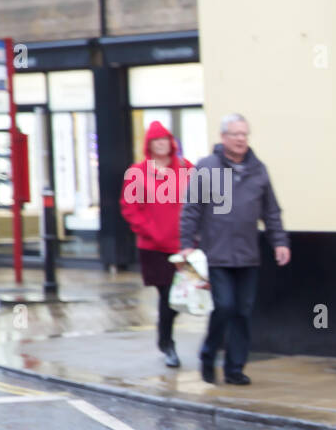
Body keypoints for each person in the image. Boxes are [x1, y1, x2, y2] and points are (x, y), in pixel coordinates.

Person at [180, 114, 290, 385]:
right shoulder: (207, 168)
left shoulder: (258, 169)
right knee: (225, 307)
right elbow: (191, 210)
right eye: (236, 134)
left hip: (248, 255)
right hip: (215, 254)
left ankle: (234, 368)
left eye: (245, 134)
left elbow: (271, 211)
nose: (241, 139)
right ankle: (208, 354)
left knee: (242, 311)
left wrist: (280, 242)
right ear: (223, 137)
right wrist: (185, 245)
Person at [120, 121, 194, 367]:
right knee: (167, 296)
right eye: (156, 140)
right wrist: (151, 230)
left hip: (184, 246)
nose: (161, 144)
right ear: (149, 144)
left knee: (188, 295)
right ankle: (167, 344)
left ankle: (206, 343)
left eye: (165, 139)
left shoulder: (186, 168)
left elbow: (202, 201)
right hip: (154, 247)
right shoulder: (138, 172)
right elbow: (130, 209)